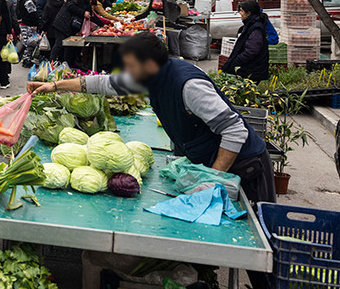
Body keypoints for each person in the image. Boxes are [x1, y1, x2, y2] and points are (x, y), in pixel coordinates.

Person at [28, 31, 274, 205]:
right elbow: (105, 83)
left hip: (244, 167)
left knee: (264, 253)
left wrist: (214, 178)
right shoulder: (150, 76)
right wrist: (54, 86)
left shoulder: (189, 86)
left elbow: (235, 130)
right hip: (212, 162)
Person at [221, 0, 270, 81]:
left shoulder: (256, 28)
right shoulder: (250, 24)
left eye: (242, 11)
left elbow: (251, 51)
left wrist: (235, 62)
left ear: (249, 13)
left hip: (253, 71)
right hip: (251, 69)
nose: (240, 13)